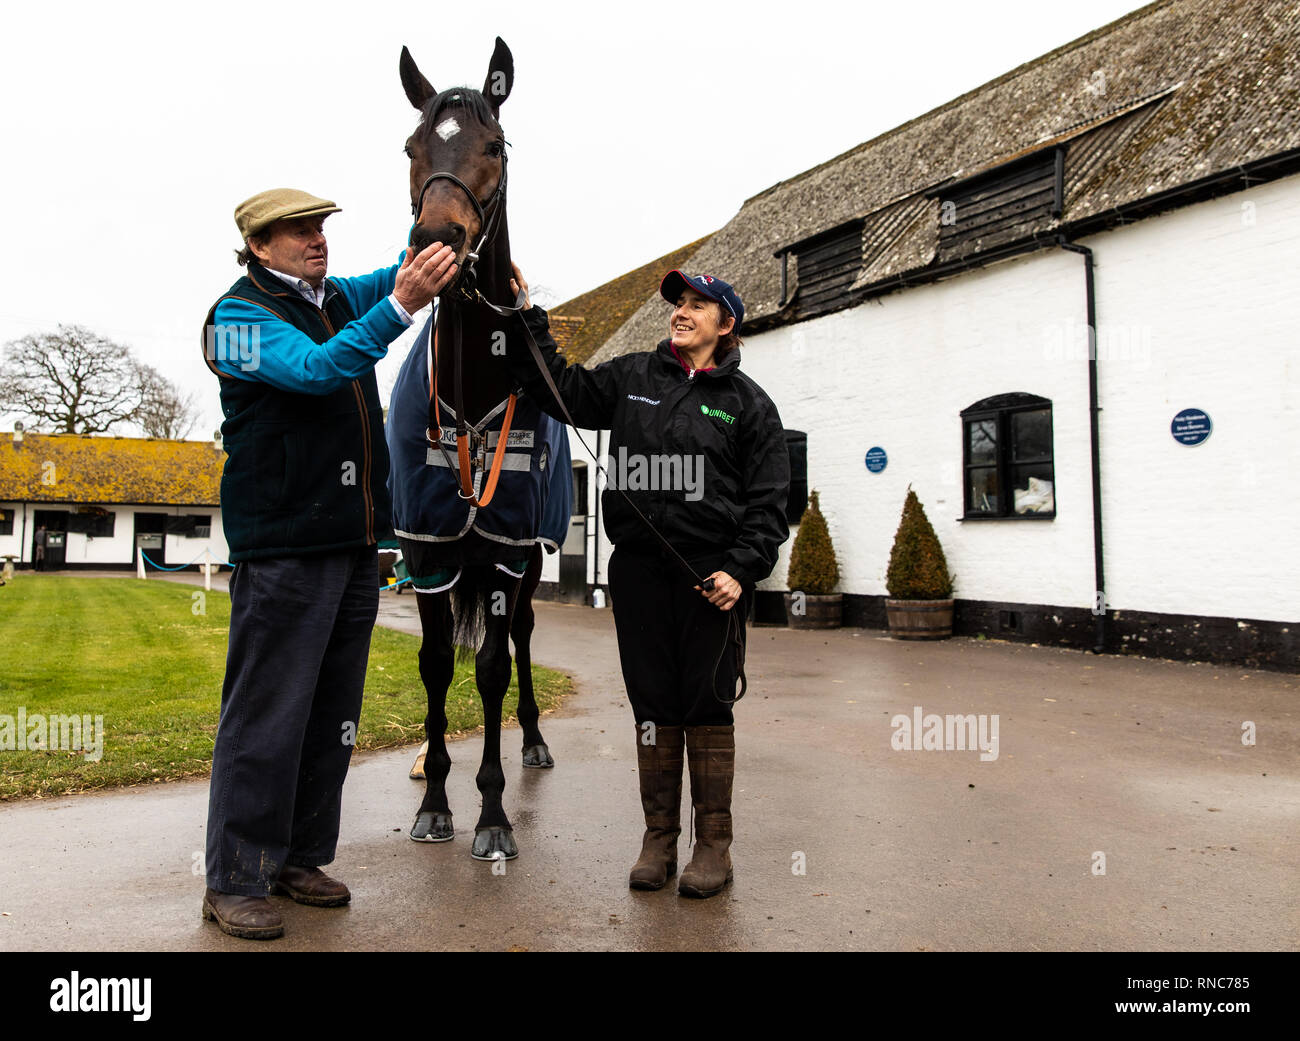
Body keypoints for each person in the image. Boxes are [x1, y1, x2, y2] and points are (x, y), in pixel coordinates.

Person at [199, 188, 457, 939]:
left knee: (330, 716)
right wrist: (401, 307)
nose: (317, 239)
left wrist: (451, 231)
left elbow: (406, 270)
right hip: (283, 545)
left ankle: (299, 857)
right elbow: (316, 370)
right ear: (257, 246)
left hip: (352, 544)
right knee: (265, 718)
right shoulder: (235, 320)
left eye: (320, 227)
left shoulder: (333, 294)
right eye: (298, 230)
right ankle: (233, 877)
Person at [505, 268, 790, 898]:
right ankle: (658, 839)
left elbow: (770, 505)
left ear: (727, 323)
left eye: (698, 305)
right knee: (653, 706)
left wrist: (741, 570)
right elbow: (561, 389)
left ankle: (713, 846)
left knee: (707, 706)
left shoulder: (749, 405)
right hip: (636, 573)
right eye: (679, 304)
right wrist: (527, 315)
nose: (682, 313)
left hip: (708, 578)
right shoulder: (632, 377)